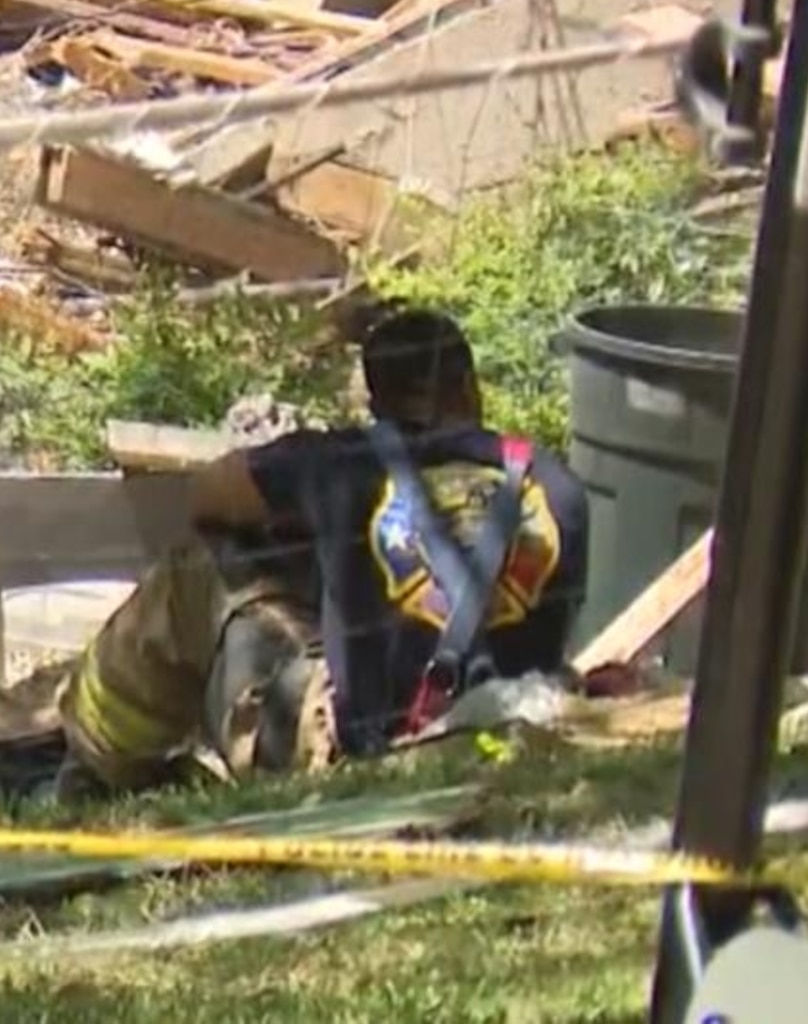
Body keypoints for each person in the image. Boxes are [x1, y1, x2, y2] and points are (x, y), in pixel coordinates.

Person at [58, 307, 591, 789]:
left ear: (378, 401)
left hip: (362, 757)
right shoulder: (557, 485)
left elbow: (207, 499)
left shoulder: (338, 467)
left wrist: (304, 522)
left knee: (198, 567)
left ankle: (100, 758)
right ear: (471, 388)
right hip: (517, 732)